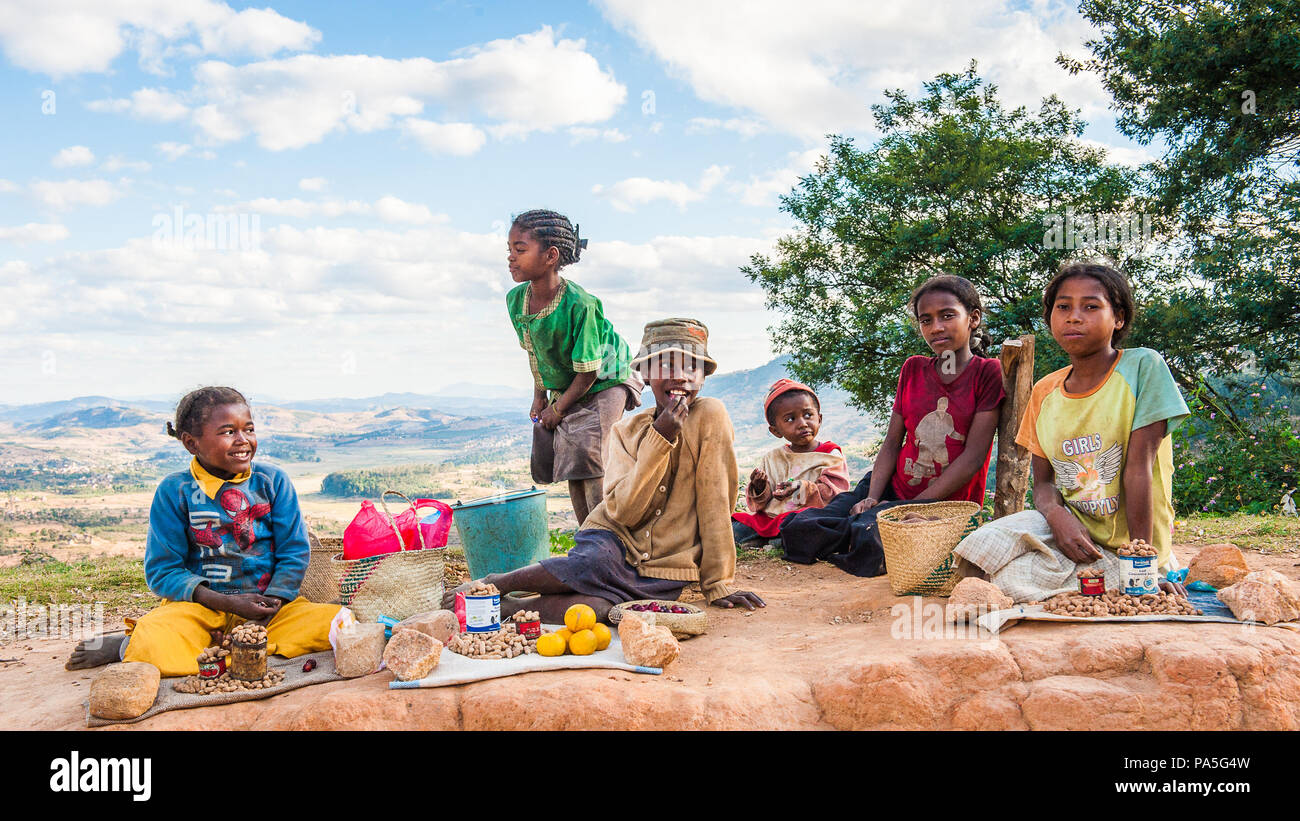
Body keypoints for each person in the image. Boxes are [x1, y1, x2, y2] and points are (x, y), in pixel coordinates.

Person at [445, 319, 765, 622]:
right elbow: (624, 513)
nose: (680, 376)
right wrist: (660, 439)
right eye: (666, 365)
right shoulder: (627, 431)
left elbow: (716, 499)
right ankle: (494, 584)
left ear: (703, 378)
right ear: (645, 373)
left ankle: (509, 608)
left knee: (601, 608)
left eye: (692, 367)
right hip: (615, 538)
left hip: (667, 565)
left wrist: (718, 583)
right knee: (591, 564)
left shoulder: (710, 415)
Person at [954, 261, 1191, 602]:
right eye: (1063, 307)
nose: (1074, 317)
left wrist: (1142, 565)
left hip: (1130, 543)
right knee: (982, 545)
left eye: (1091, 306)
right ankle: (1081, 580)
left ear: (1119, 318)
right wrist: (1056, 517)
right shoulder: (1044, 392)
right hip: (1070, 533)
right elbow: (1045, 483)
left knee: (1016, 583)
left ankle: (1140, 572)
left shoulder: (1143, 367)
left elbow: (1139, 467)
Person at [67, 387, 339, 677]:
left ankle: (223, 649)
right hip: (202, 611)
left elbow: (294, 553)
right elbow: (163, 570)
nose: (242, 440)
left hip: (270, 611)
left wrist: (270, 607)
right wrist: (224, 602)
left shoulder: (272, 481)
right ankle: (129, 645)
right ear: (191, 443)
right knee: (155, 640)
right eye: (227, 432)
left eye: (248, 429)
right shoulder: (175, 491)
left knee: (341, 624)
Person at [781, 275, 1005, 576]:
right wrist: (873, 496)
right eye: (926, 320)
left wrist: (910, 507)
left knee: (871, 536)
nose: (936, 327)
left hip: (942, 502)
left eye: (947, 315)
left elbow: (973, 458)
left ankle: (859, 529)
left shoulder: (987, 373)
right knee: (798, 526)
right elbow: (892, 443)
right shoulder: (913, 368)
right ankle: (858, 525)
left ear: (973, 318)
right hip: (891, 484)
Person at [506, 209, 641, 526]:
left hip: (608, 379)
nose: (511, 258)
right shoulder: (516, 301)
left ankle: (611, 542)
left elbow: (590, 370)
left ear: (550, 256)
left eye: (520, 250)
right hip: (572, 383)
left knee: (592, 457)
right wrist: (540, 397)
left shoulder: (580, 304)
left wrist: (559, 408)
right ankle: (589, 539)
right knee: (571, 457)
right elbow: (536, 353)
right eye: (509, 250)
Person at [732, 379, 850, 548]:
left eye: (808, 415)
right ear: (775, 430)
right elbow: (763, 502)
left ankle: (774, 541)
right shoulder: (772, 458)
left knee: (808, 526)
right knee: (736, 525)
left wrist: (801, 487)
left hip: (809, 517)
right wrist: (759, 487)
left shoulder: (830, 454)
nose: (802, 423)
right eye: (790, 419)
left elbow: (834, 495)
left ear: (820, 418)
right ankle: (772, 540)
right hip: (772, 518)